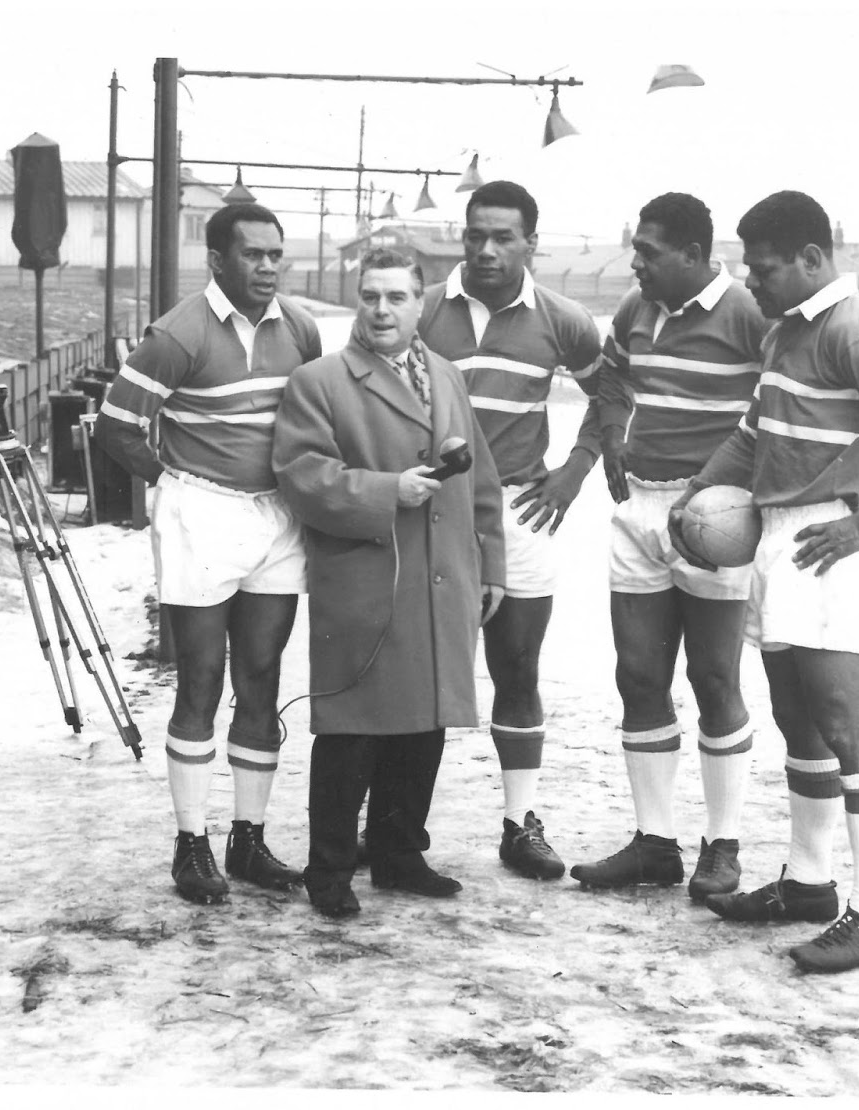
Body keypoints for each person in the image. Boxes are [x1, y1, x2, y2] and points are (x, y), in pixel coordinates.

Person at [672, 191, 859, 972]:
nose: (750, 281)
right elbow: (755, 431)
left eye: (762, 269)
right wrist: (699, 492)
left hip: (833, 539)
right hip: (779, 536)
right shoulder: (786, 327)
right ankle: (810, 884)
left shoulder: (854, 325)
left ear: (812, 260)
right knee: (798, 717)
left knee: (846, 720)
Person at [96, 202, 322, 904]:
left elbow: (319, 414)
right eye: (252, 254)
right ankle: (191, 844)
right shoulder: (177, 333)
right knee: (200, 679)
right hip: (201, 514)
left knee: (260, 678)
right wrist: (173, 483)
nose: (268, 266)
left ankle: (247, 840)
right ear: (217, 261)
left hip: (276, 518)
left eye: (275, 254)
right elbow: (116, 427)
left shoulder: (303, 329)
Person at [273, 247, 505, 918]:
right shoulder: (319, 382)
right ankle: (331, 871)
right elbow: (302, 474)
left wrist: (489, 567)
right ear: (357, 301)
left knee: (423, 720)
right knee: (354, 728)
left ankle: (401, 853)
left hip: (443, 575)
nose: (381, 310)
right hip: (368, 576)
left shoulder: (446, 377)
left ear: (420, 303)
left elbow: (481, 478)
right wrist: (384, 489)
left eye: (396, 297)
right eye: (370, 296)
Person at [569, 194, 768, 899]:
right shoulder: (635, 309)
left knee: (715, 680)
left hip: (712, 511)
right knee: (638, 675)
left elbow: (779, 397)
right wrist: (615, 434)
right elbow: (612, 376)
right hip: (639, 508)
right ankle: (656, 843)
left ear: (692, 254)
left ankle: (723, 843)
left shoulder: (748, 312)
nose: (637, 263)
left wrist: (739, 488)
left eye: (649, 252)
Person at [416, 180, 602, 880]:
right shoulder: (424, 308)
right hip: (433, 509)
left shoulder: (563, 319)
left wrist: (575, 469)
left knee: (516, 667)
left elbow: (612, 393)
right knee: (420, 667)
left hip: (521, 510)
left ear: (531, 243)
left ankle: (520, 824)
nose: (487, 250)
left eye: (503, 237)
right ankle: (397, 825)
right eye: (475, 235)